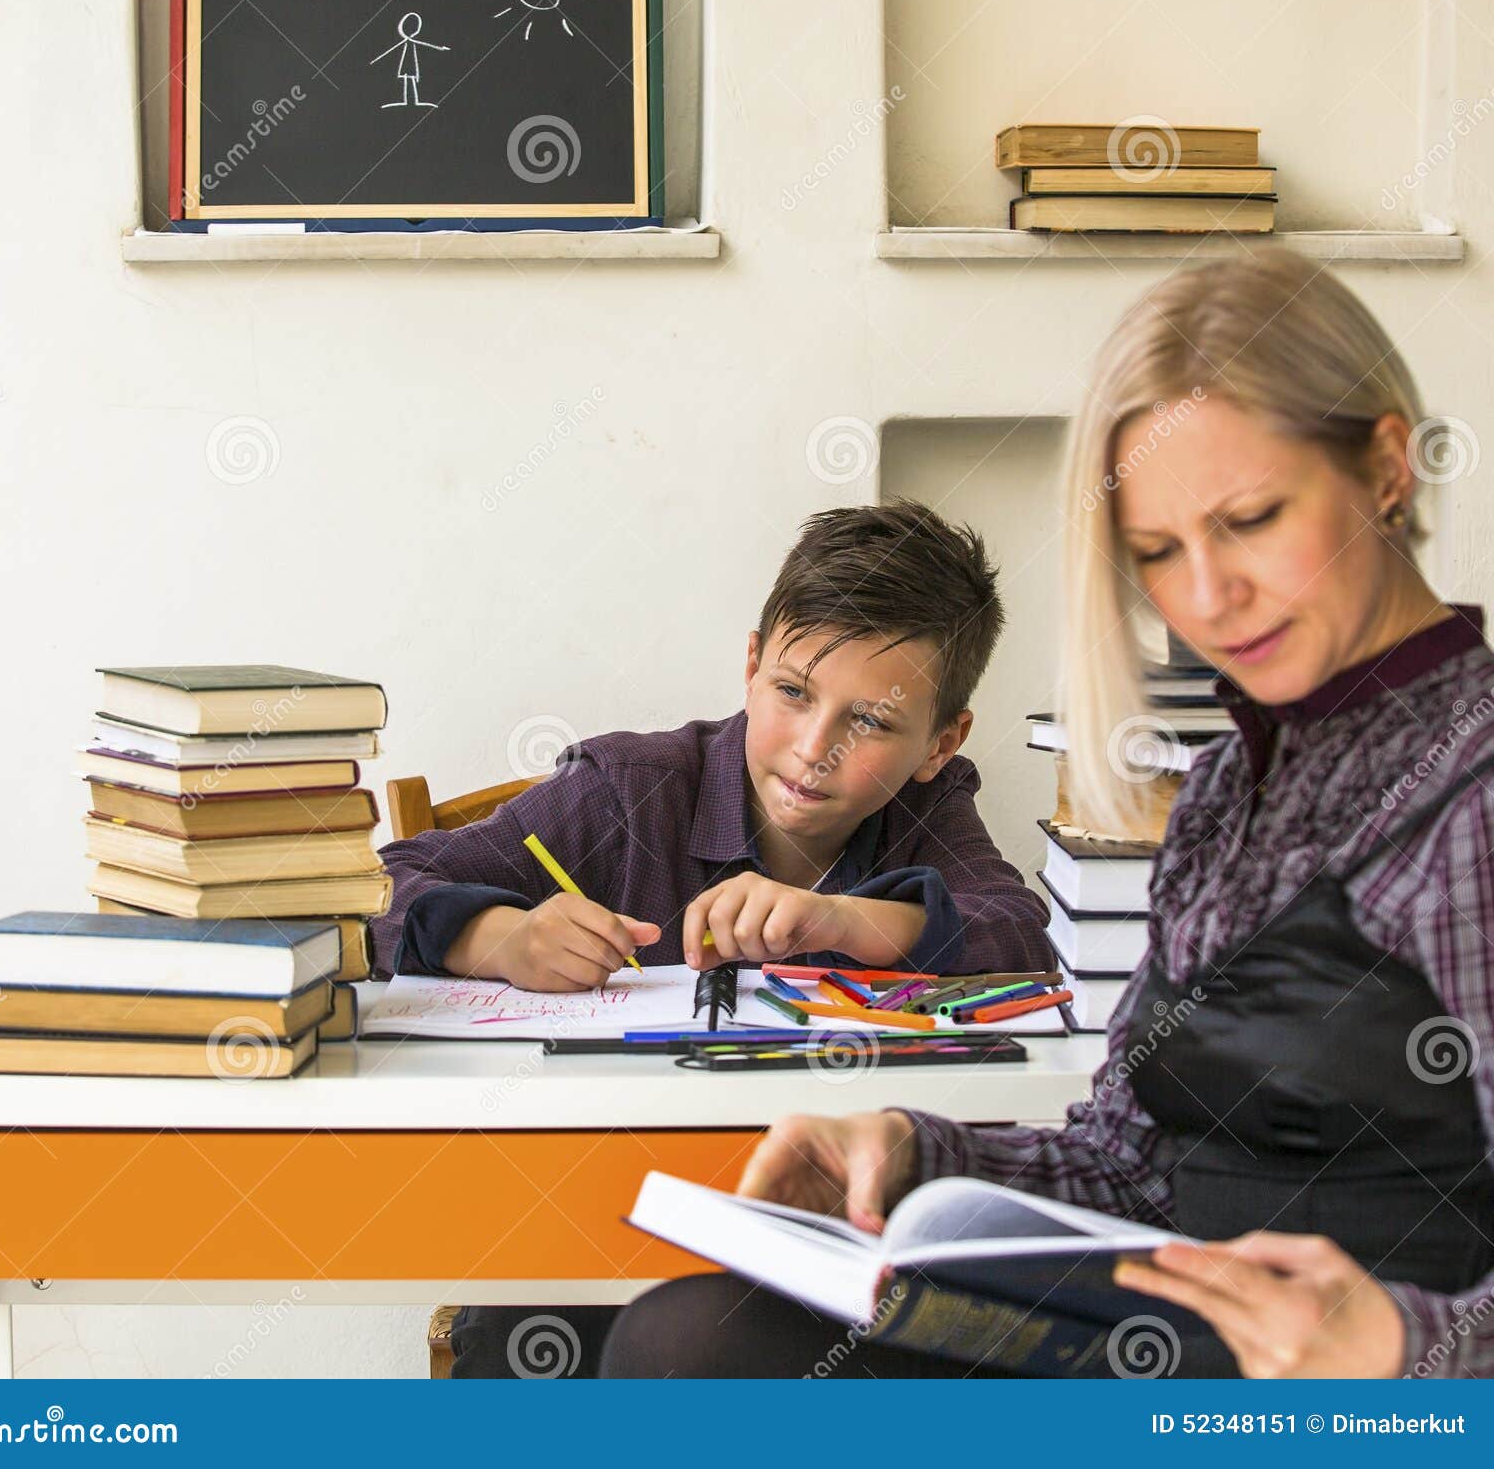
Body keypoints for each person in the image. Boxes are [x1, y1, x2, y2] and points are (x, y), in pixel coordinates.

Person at [600, 246, 1494, 1380]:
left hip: (1362, 1403)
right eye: (1158, 553)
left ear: (1385, 467)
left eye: (1253, 518)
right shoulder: (1225, 791)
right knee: (699, 1338)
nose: (1206, 600)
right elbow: (1130, 1164)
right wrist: (910, 1153)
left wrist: (1403, 1348)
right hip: (1169, 1347)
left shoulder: (1472, 796)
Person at [373, 498, 1054, 1376]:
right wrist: (494, 938)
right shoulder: (629, 789)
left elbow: (1021, 941)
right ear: (750, 664)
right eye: (793, 692)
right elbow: (381, 885)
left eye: (873, 722)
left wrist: (848, 919)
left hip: (827, 1242)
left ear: (939, 741)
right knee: (527, 1341)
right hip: (595, 1222)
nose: (816, 748)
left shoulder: (932, 806)